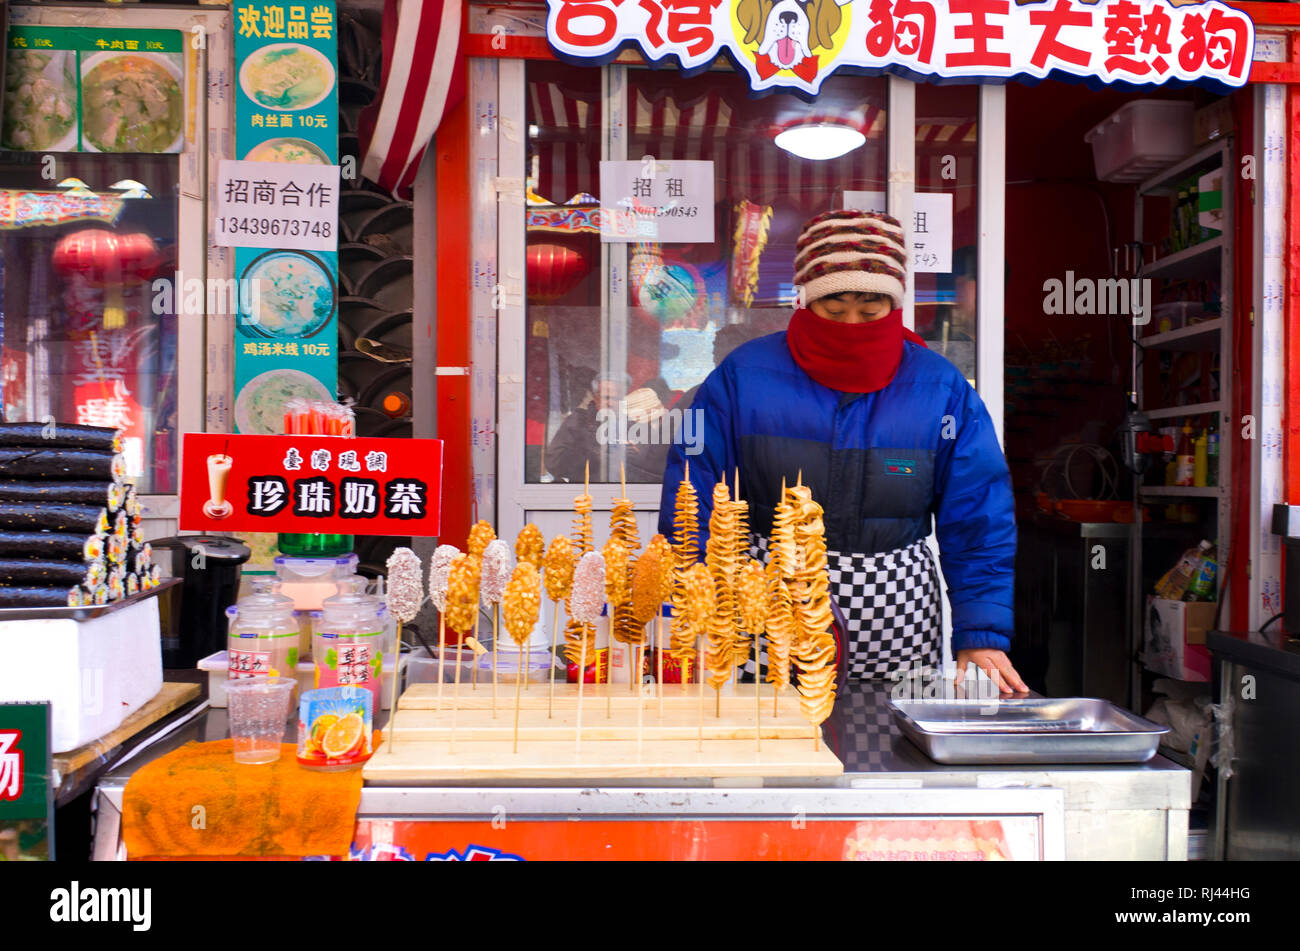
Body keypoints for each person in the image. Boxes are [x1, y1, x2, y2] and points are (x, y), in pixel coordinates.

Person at [657, 210, 1026, 692]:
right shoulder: (743, 377)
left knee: (886, 757)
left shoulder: (940, 389)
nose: (852, 324)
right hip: (764, 607)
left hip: (896, 615)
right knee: (766, 752)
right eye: (834, 309)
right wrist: (688, 608)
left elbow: (979, 517)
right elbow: (693, 498)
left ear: (894, 306)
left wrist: (980, 632)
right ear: (806, 301)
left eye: (870, 310)